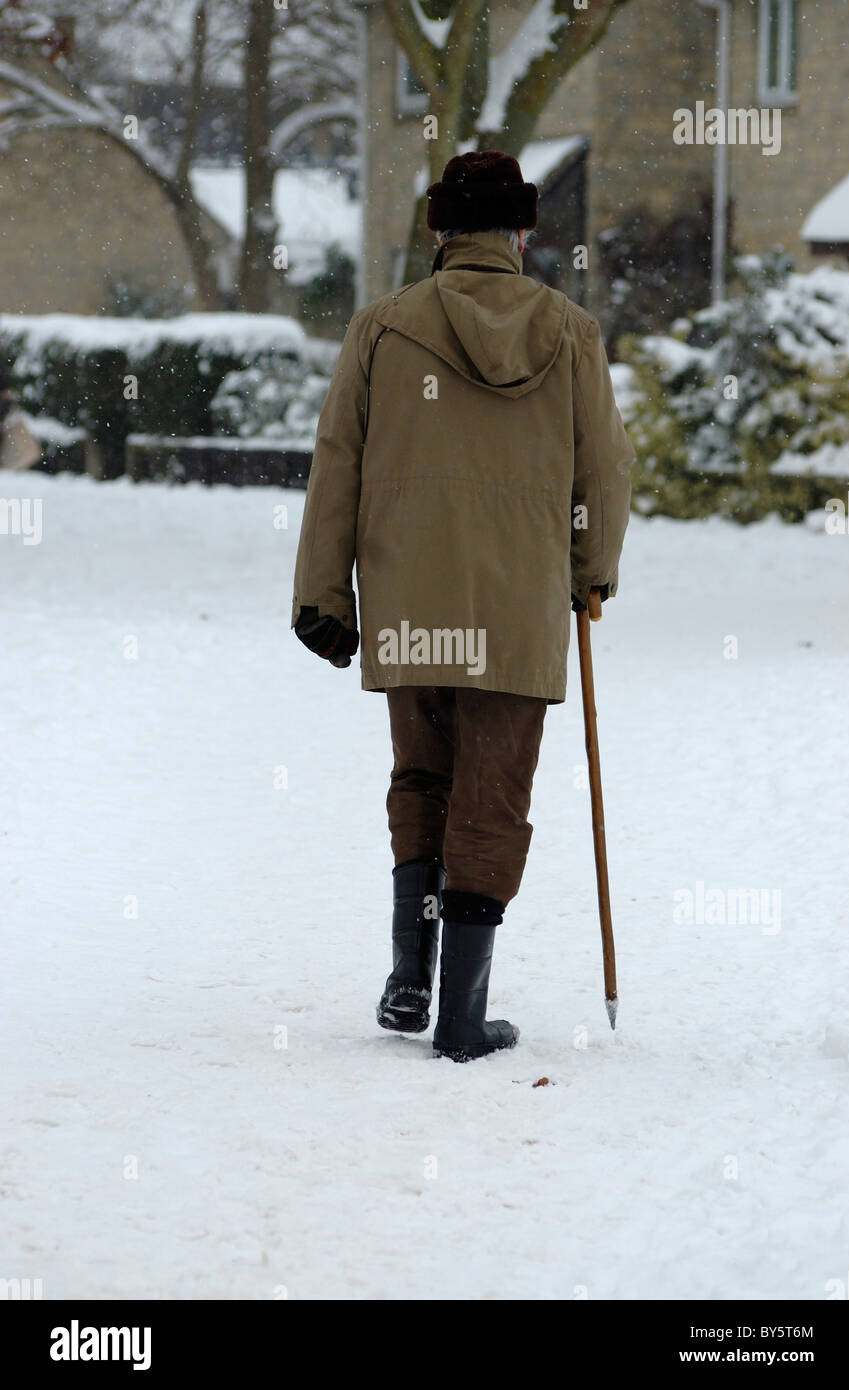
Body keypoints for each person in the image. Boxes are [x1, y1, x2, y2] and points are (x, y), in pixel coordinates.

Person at [293, 151, 634, 1062]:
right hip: (517, 608)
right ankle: (461, 1014)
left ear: (440, 232)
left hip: (411, 599)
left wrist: (325, 595)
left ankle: (412, 975)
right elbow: (602, 471)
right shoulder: (571, 332)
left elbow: (338, 466)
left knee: (424, 780)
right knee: (493, 796)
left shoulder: (381, 329)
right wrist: (590, 569)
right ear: (522, 233)